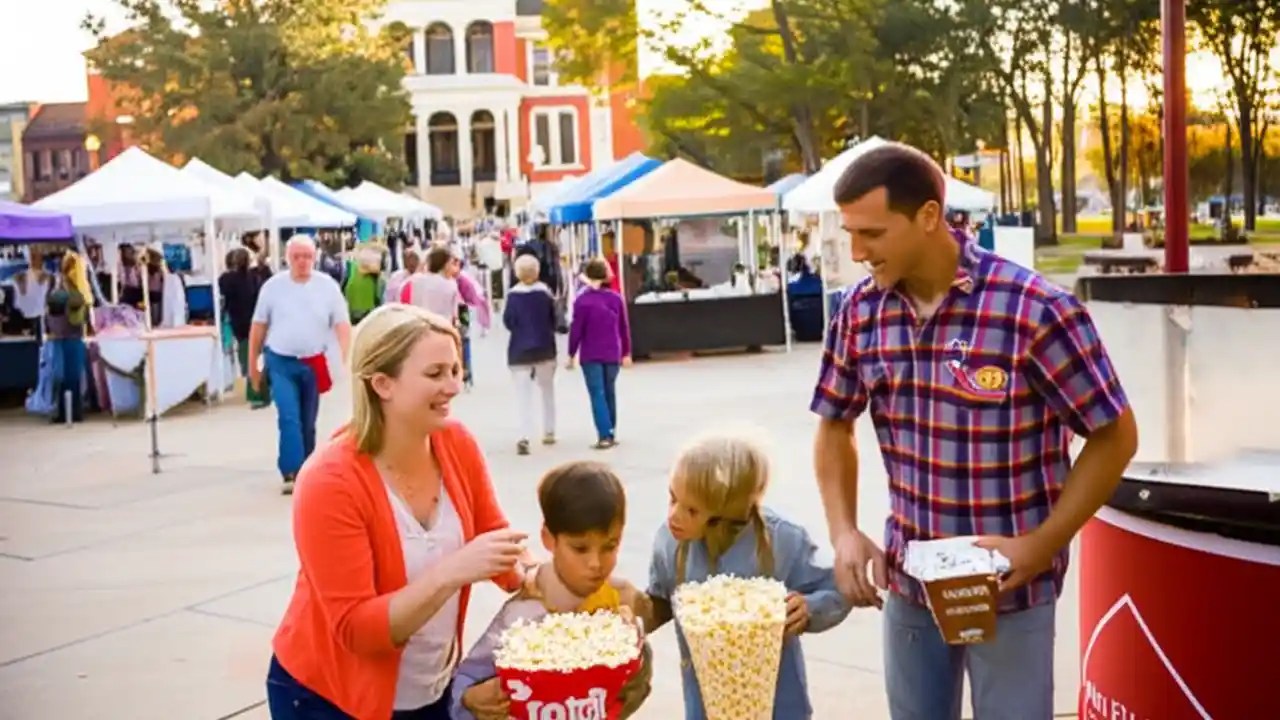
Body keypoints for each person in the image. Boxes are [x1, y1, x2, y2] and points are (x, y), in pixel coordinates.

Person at [809, 142, 1137, 719]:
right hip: (911, 584)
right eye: (850, 233)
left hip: (1013, 588)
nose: (857, 251)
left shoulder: (1035, 309)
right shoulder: (858, 314)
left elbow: (1115, 435)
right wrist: (843, 530)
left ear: (929, 216)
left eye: (873, 234)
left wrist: (1043, 544)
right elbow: (834, 423)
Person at [267, 303, 531, 720]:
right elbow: (358, 630)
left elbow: (493, 534)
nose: (453, 386)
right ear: (382, 384)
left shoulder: (455, 442)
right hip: (329, 697)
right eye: (435, 374)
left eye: (455, 370)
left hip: (429, 688)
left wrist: (541, 578)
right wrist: (452, 572)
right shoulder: (329, 481)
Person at [644, 432, 850, 719]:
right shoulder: (670, 542)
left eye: (691, 510)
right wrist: (631, 618)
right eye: (672, 498)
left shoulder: (782, 540)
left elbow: (839, 588)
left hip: (779, 705)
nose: (674, 516)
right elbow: (660, 600)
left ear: (725, 515)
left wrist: (809, 608)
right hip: (706, 705)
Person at [451, 461, 652, 720]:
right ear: (548, 539)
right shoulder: (523, 615)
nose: (596, 563)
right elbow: (466, 682)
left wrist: (636, 671)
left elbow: (635, 686)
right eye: (580, 549)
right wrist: (470, 698)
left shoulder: (618, 601)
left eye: (609, 546)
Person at [248, 235, 352, 495]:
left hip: (313, 361)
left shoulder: (327, 286)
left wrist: (345, 356)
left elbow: (341, 323)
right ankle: (291, 470)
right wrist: (253, 365)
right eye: (296, 257)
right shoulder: (273, 287)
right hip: (280, 359)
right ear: (287, 258)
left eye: (307, 256)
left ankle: (308, 468)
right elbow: (258, 326)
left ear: (315, 258)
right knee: (288, 416)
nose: (302, 262)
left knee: (308, 420)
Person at [567, 258, 631, 450]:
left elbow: (576, 329)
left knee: (597, 393)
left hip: (591, 354)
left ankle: (605, 434)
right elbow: (623, 327)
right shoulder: (615, 298)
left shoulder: (582, 301)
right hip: (613, 352)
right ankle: (611, 429)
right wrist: (626, 352)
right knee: (610, 391)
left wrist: (571, 353)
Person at [503, 254, 558, 455]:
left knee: (523, 395)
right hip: (544, 347)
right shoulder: (545, 293)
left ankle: (524, 435)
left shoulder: (513, 295)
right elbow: (554, 319)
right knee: (547, 390)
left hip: (519, 350)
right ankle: (549, 429)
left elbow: (508, 322)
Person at [44, 252, 93, 424]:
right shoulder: (67, 287)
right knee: (67, 376)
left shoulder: (65, 286)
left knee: (66, 376)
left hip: (65, 336)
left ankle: (69, 412)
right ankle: (69, 412)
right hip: (69, 336)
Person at [219, 247, 270, 408]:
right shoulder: (254, 277)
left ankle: (256, 395)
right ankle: (262, 393)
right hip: (256, 322)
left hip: (240, 326)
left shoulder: (226, 280)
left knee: (248, 360)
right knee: (257, 359)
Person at [401, 245, 459, 322]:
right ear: (445, 265)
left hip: (417, 324)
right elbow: (454, 316)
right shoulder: (451, 285)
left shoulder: (414, 280)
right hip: (441, 327)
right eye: (451, 263)